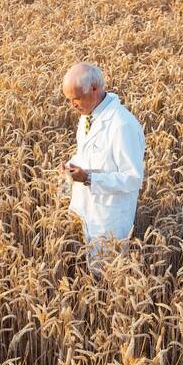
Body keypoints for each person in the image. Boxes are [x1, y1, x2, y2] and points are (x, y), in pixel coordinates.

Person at [60, 62, 146, 277]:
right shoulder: (88, 115)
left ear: (95, 89)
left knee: (108, 278)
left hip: (109, 217)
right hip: (89, 210)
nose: (72, 105)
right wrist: (71, 166)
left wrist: (88, 178)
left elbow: (133, 178)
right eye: (69, 99)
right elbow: (88, 153)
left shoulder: (122, 125)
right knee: (90, 270)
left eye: (76, 98)